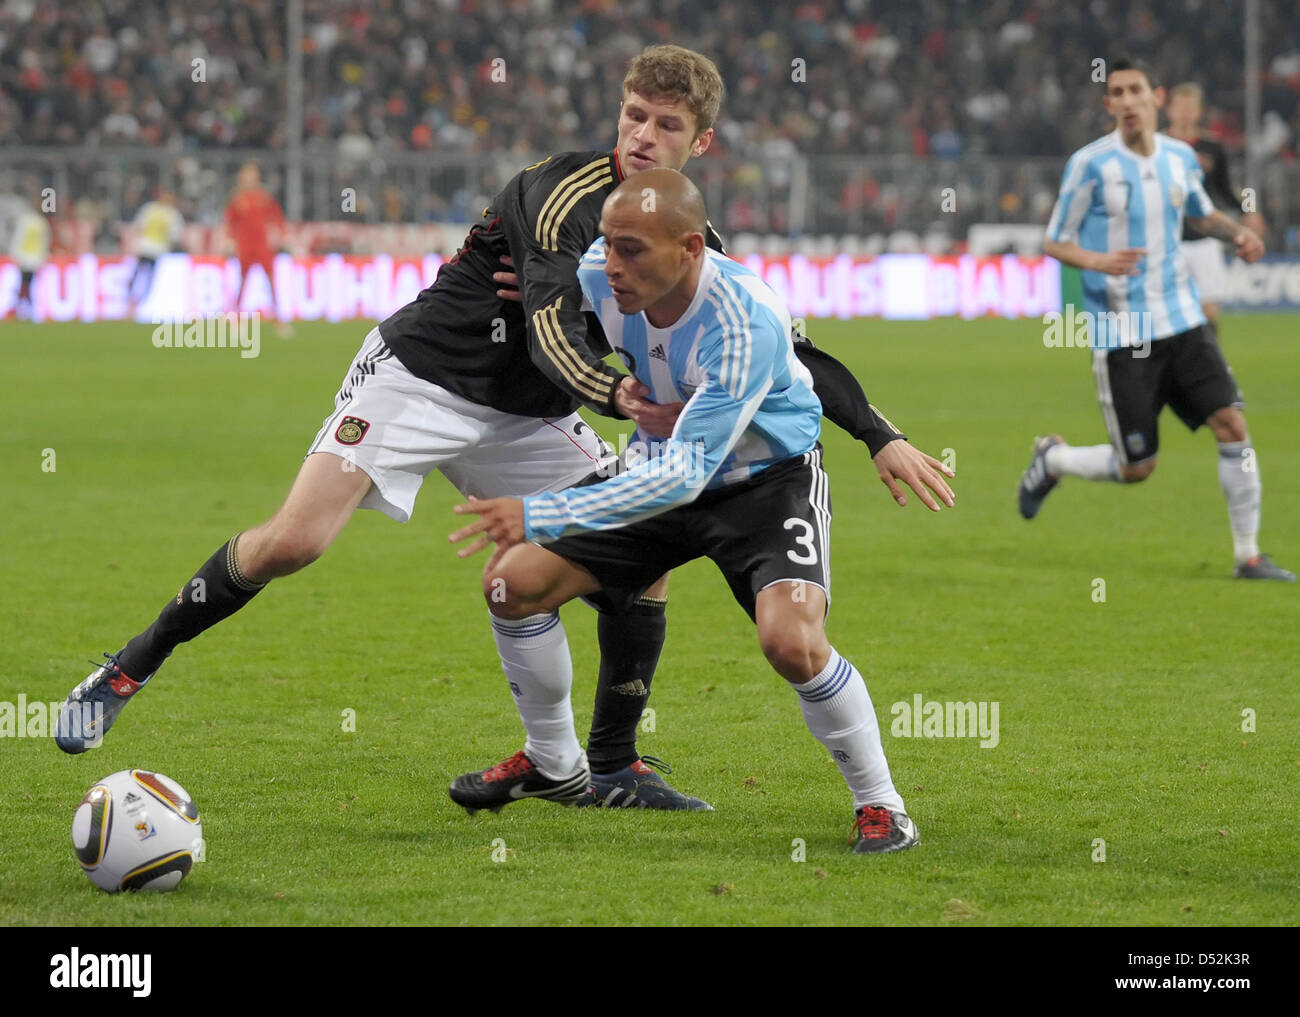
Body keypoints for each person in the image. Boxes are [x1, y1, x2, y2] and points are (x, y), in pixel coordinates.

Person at [55, 47, 952, 813]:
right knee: (296, 540)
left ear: (699, 143)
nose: (642, 136)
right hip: (424, 378)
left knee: (641, 561)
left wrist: (877, 431)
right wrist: (623, 392)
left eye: (666, 126)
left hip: (528, 416)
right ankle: (128, 668)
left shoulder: (688, 238)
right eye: (634, 115)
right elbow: (551, 329)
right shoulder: (564, 196)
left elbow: (784, 345)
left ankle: (597, 764)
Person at [449, 169, 948, 852]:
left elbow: (687, 476)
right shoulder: (599, 272)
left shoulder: (743, 319)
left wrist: (541, 514)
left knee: (791, 641)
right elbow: (558, 313)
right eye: (607, 244)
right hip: (663, 465)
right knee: (510, 584)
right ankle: (555, 761)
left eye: (632, 249)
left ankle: (882, 804)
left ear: (690, 248)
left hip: (763, 485)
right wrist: (537, 292)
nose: (611, 264)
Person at [1020, 57, 1292, 582]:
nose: (1126, 101)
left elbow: (1197, 211)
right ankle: (1053, 460)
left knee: (1232, 424)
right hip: (1124, 333)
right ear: (1109, 105)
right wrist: (1098, 261)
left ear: (1156, 98)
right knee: (1137, 468)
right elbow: (1054, 240)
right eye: (1116, 93)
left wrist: (1236, 232)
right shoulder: (1090, 164)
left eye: (1135, 90)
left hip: (1184, 321)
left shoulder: (1179, 157)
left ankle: (1249, 555)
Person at [1164, 82, 1266, 325]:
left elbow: (1230, 188)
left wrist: (1251, 209)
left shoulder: (1213, 146)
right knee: (1167, 312)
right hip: (1167, 239)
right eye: (1181, 106)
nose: (1186, 112)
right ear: (1168, 110)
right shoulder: (1157, 145)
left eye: (1191, 107)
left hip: (1205, 239)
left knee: (1209, 312)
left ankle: (1210, 363)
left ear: (1200, 112)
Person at [224, 162, 287, 329]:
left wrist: (281, 235)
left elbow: (276, 217)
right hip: (245, 246)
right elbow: (230, 222)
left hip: (262, 246)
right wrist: (229, 241)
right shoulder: (236, 199)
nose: (249, 179)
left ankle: (278, 319)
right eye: (246, 175)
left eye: (252, 175)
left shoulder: (263, 197)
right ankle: (235, 317)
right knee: (243, 282)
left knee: (271, 281)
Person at [127, 186, 184, 318]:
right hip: (157, 249)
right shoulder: (173, 214)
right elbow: (175, 236)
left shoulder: (150, 208)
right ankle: (141, 298)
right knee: (148, 276)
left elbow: (139, 226)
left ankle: (133, 297)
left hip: (145, 247)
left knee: (139, 272)